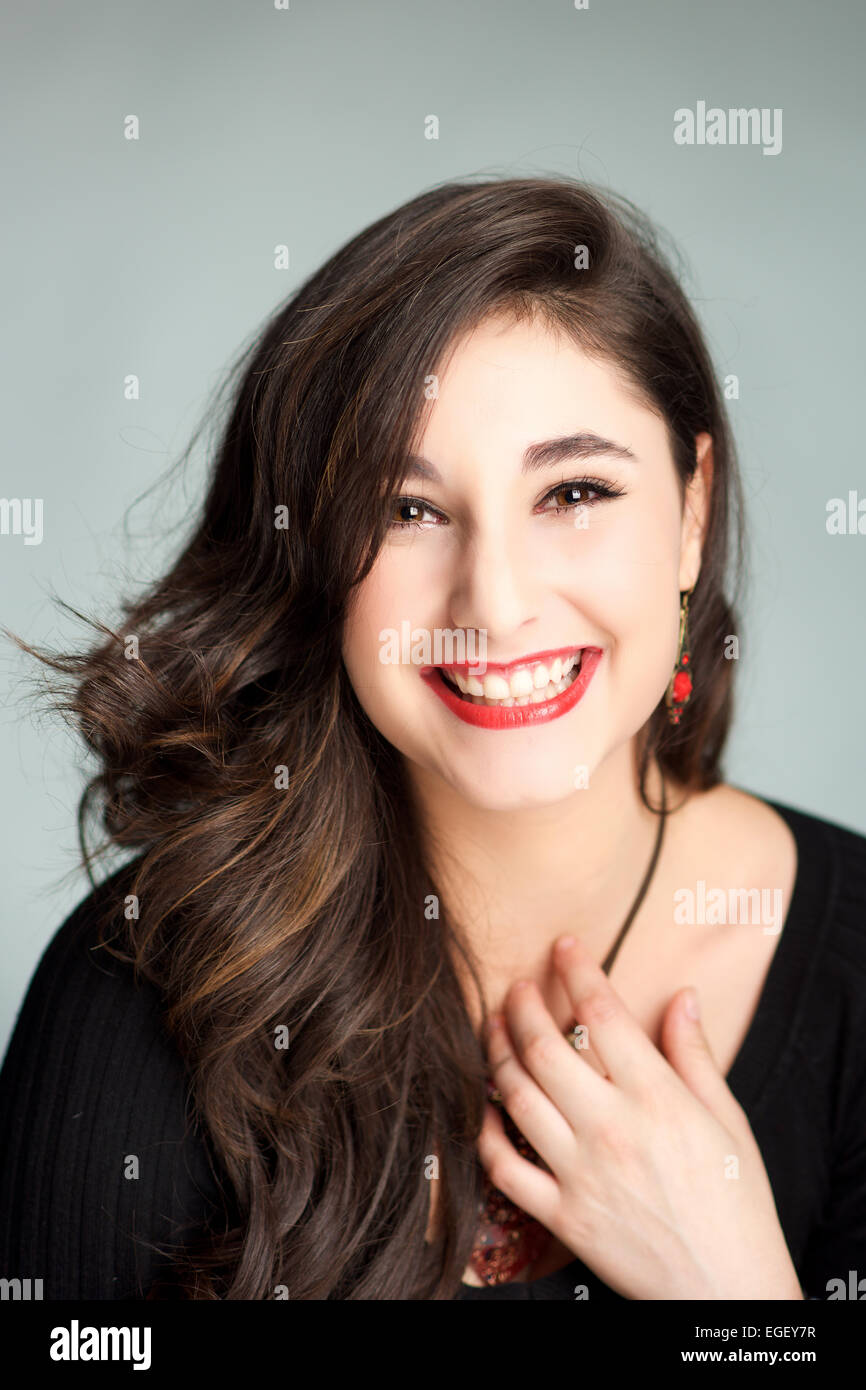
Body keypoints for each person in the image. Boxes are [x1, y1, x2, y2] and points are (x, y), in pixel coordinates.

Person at [1, 176, 865, 1301]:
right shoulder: (147, 979)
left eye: (574, 492)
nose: (494, 604)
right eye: (406, 509)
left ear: (691, 511)